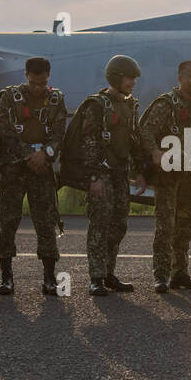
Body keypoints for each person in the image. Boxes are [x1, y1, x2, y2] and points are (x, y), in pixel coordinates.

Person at [0, 57, 66, 296]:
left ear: (48, 77)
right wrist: (28, 156)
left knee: (46, 223)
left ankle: (49, 278)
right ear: (25, 75)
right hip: (13, 170)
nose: (37, 87)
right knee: (8, 221)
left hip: (42, 171)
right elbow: (5, 132)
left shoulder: (56, 100)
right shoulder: (8, 97)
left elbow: (58, 135)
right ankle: (6, 278)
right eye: (33, 83)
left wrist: (45, 155)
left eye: (42, 83)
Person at [80, 55, 147, 295]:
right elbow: (88, 142)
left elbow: (134, 139)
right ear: (117, 77)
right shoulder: (97, 105)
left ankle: (109, 273)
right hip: (102, 173)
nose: (133, 82)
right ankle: (96, 278)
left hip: (121, 173)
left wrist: (139, 171)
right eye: (130, 78)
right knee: (100, 224)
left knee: (119, 224)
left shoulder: (131, 104)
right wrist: (94, 177)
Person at [139, 61, 191, 293]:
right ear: (180, 78)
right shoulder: (166, 104)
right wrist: (155, 152)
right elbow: (145, 130)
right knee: (165, 226)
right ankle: (161, 276)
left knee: (185, 226)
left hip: (188, 174)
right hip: (167, 176)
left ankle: (180, 273)